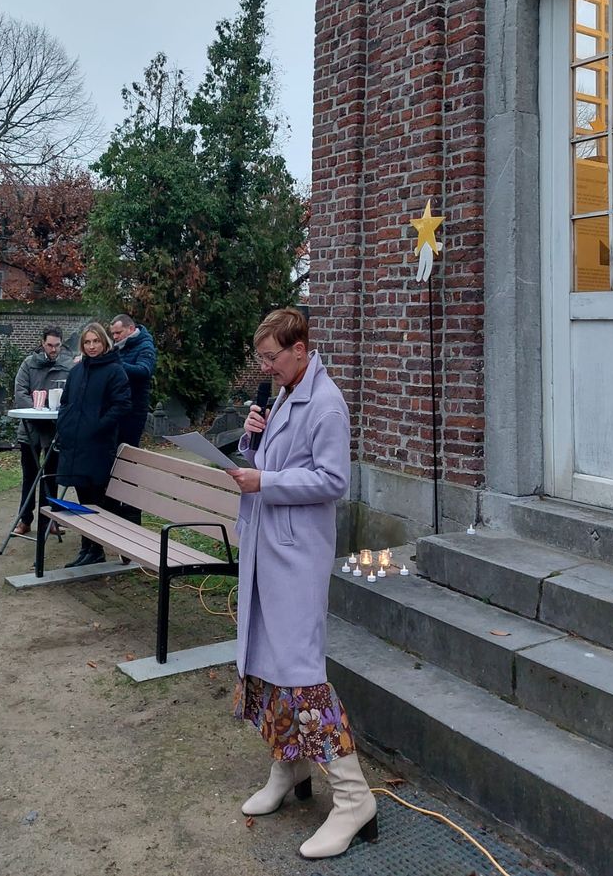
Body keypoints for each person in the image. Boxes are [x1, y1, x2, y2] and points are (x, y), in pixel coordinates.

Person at [230, 308, 377, 860]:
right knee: (267, 662)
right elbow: (271, 465)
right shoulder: (287, 393)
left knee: (301, 674)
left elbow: (333, 479)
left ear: (300, 348)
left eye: (272, 357)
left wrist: (265, 479)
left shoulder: (326, 402)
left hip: (295, 557)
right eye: (262, 359)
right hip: (268, 548)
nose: (266, 368)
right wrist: (252, 444)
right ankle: (288, 767)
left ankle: (354, 799)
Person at [56, 322, 131, 567]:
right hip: (76, 444)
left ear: (104, 342)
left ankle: (97, 547)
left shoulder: (115, 370)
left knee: (97, 498)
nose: (91, 346)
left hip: (98, 445)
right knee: (82, 498)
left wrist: (97, 426)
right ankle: (87, 547)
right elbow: (66, 402)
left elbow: (122, 404)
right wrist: (65, 424)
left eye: (96, 341)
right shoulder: (77, 371)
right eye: (87, 342)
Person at [12, 327, 74, 535]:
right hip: (30, 429)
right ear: (42, 343)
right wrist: (37, 411)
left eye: (57, 345)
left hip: (54, 430)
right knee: (29, 476)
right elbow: (20, 392)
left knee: (51, 477)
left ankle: (49, 522)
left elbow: (71, 395)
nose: (53, 349)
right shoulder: (29, 363)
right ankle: (25, 519)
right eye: (49, 345)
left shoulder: (68, 366)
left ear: (61, 344)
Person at [110, 312, 157, 526]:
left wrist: (116, 363)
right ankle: (113, 508)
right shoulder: (119, 347)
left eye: (118, 333)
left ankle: (131, 514)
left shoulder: (145, 345)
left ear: (130, 329)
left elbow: (144, 371)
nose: (115, 337)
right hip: (117, 411)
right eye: (113, 334)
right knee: (113, 461)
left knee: (128, 460)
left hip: (133, 413)